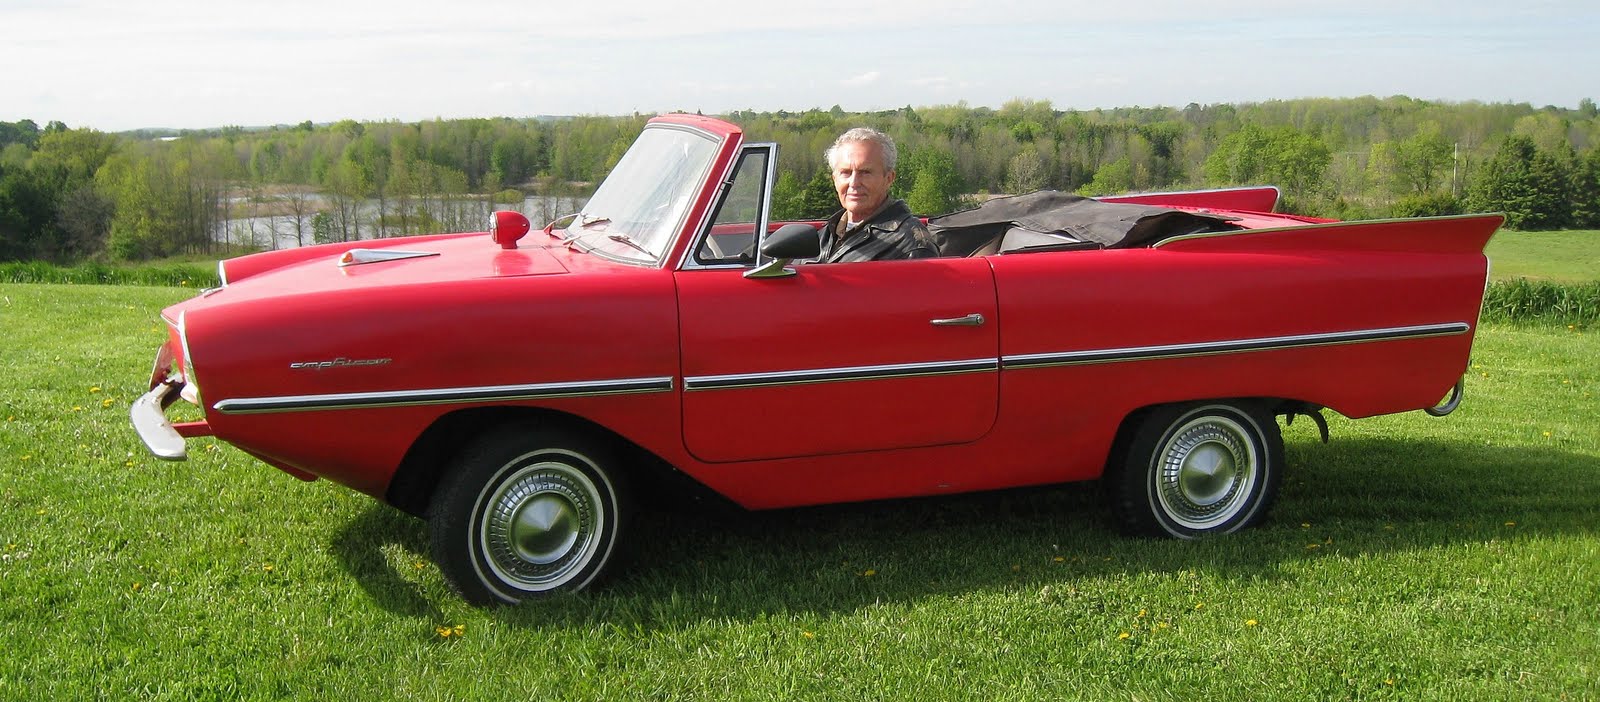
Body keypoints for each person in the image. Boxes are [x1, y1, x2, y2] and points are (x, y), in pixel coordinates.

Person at [817, 127, 939, 262]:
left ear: (889, 178)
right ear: (834, 179)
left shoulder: (911, 245)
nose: (854, 183)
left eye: (865, 172)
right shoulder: (822, 237)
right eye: (846, 172)